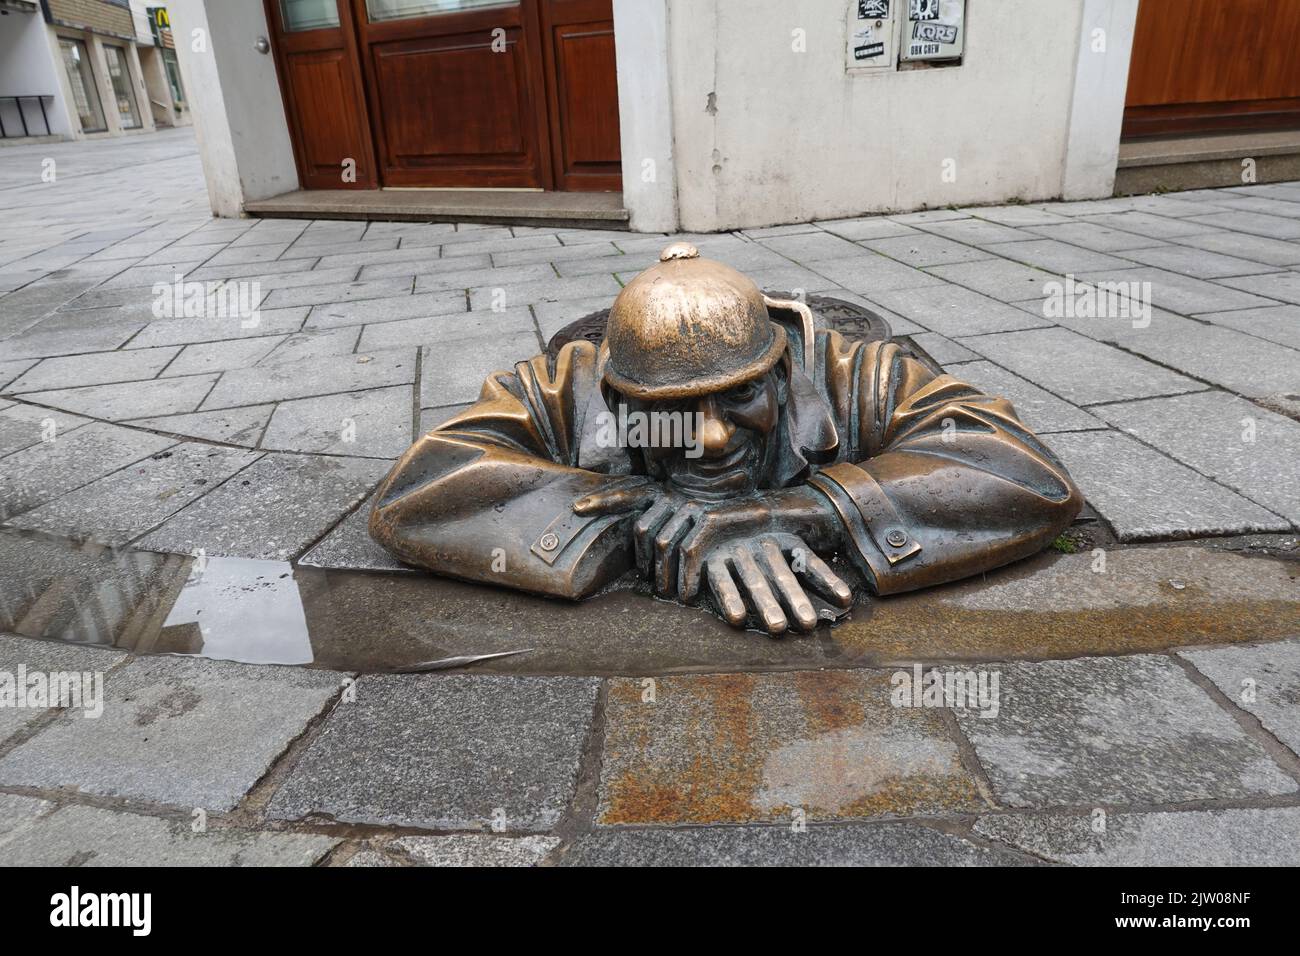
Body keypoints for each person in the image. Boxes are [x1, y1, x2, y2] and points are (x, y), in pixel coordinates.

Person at [370, 242, 1082, 636]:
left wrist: (803, 511)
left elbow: (1025, 472)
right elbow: (420, 491)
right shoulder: (566, 386)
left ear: (780, 373)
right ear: (616, 395)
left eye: (740, 395)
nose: (710, 440)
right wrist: (630, 514)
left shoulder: (858, 374)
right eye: (671, 409)